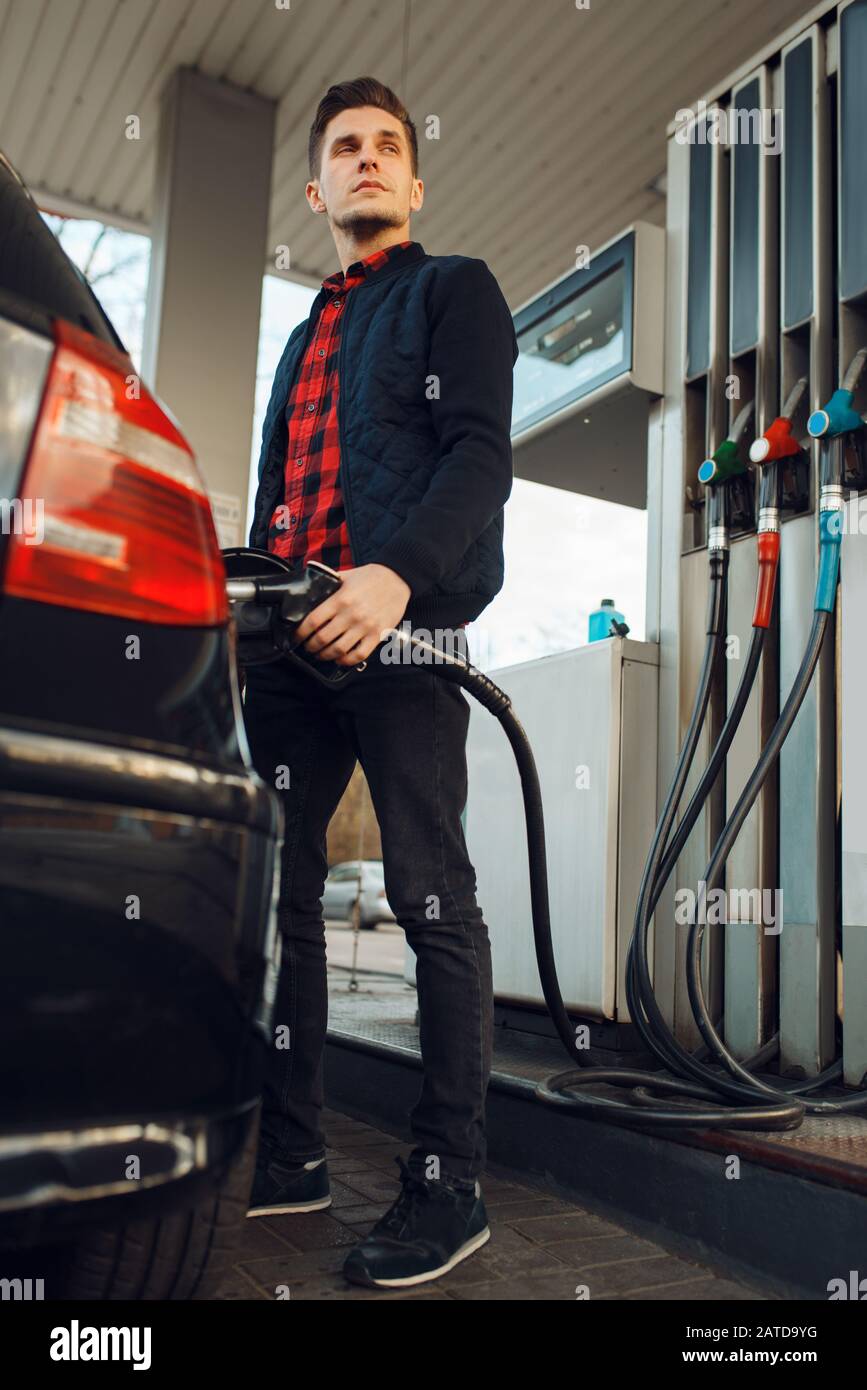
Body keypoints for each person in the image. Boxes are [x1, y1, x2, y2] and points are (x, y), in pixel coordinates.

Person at [242, 74, 517, 1290]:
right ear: (316, 188)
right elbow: (275, 506)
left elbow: (480, 460)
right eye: (344, 147)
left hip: (401, 635)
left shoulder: (452, 291)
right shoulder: (302, 340)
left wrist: (398, 578)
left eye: (386, 147)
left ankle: (447, 1181)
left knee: (429, 896)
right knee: (279, 900)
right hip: (290, 651)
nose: (365, 160)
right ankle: (292, 1152)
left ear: (412, 181)